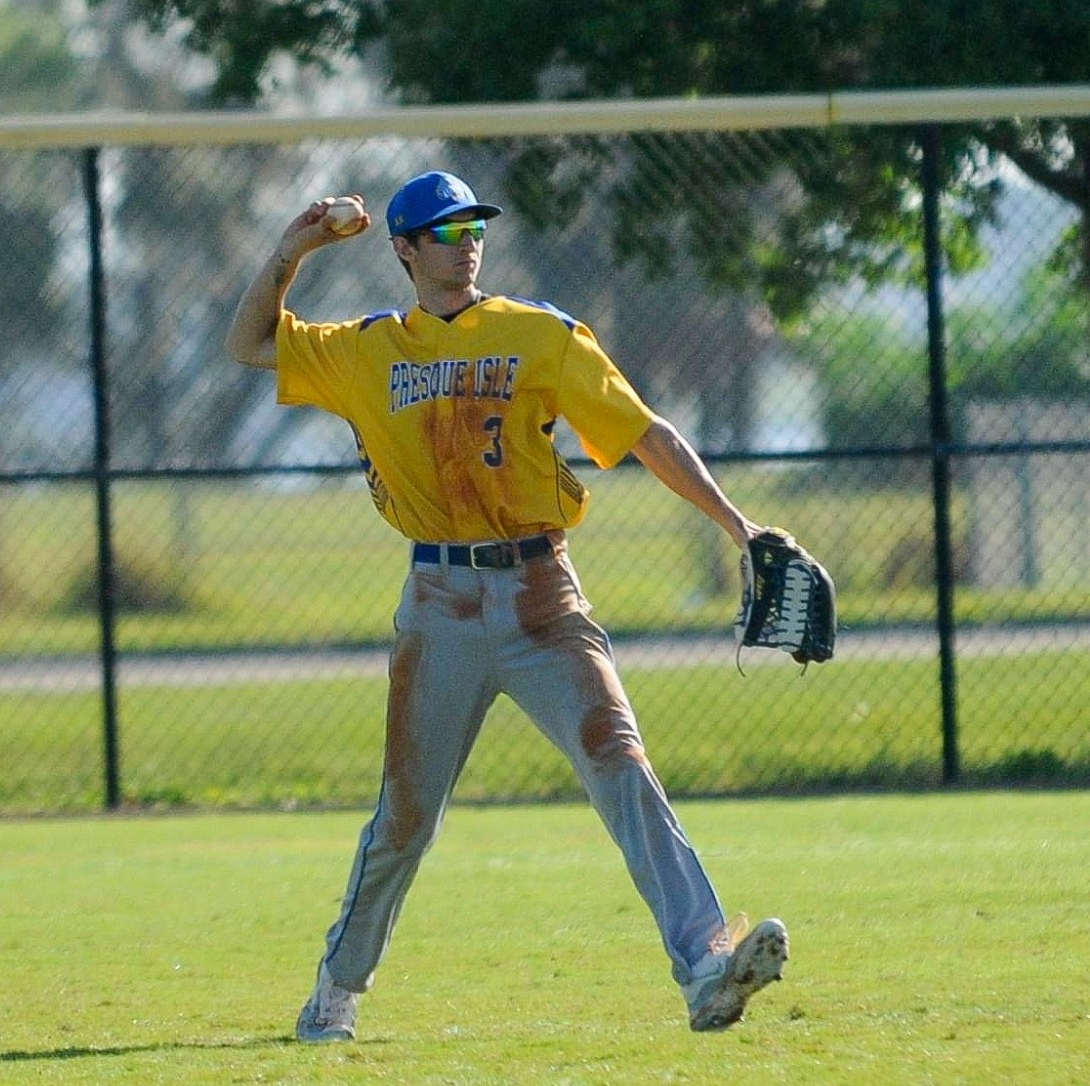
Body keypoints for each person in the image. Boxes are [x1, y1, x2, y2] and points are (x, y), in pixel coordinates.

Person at [224, 170, 789, 1042]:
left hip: (540, 596)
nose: (466, 241)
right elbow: (248, 342)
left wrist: (737, 526)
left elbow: (643, 433)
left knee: (621, 765)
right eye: (444, 232)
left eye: (472, 226)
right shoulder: (365, 348)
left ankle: (708, 968)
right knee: (405, 819)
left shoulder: (539, 334)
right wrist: (294, 248)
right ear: (405, 250)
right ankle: (337, 991)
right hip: (438, 603)